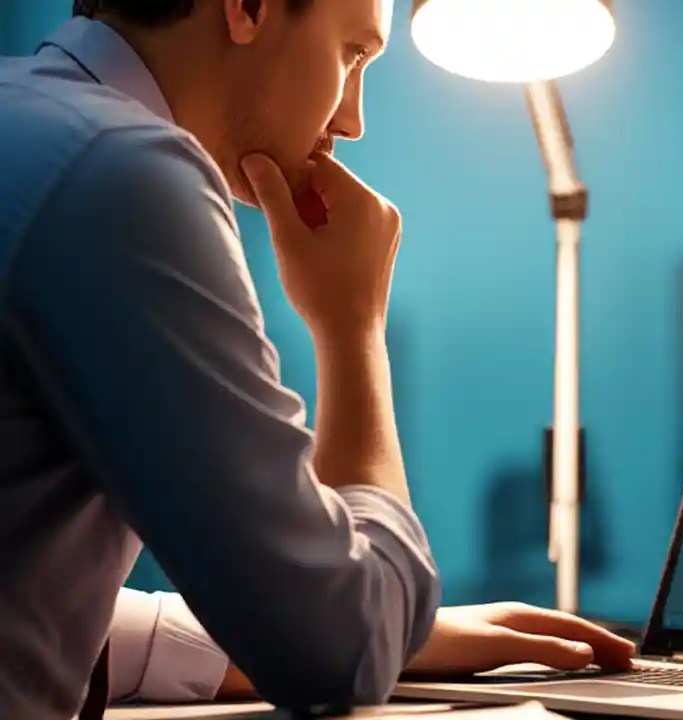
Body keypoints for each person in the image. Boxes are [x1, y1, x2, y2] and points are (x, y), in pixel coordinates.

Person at [0, 0, 634, 717]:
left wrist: (389, 627)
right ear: (247, 7)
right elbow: (339, 656)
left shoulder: (31, 129)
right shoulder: (118, 173)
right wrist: (353, 326)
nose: (352, 120)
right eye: (352, 54)